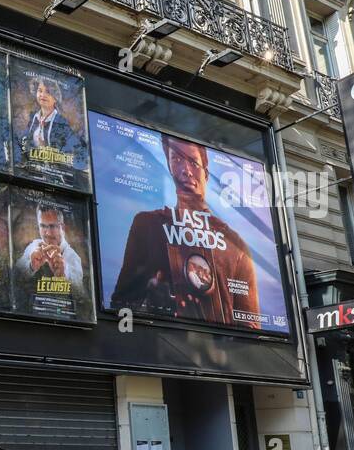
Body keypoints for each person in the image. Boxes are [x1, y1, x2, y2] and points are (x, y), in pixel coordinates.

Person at [109, 135, 261, 328]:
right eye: (177, 159)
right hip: (157, 345)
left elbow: (252, 327)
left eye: (193, 162)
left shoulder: (235, 244)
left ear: (206, 173)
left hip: (219, 354)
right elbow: (121, 305)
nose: (186, 171)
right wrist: (150, 305)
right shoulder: (146, 225)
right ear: (170, 168)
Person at [15, 205, 84, 294]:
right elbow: (15, 274)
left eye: (52, 226)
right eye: (43, 226)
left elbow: (80, 295)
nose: (47, 233)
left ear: (62, 227)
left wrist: (64, 274)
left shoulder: (73, 257)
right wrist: (31, 266)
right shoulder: (33, 246)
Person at [18, 76, 84, 167]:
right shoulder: (34, 118)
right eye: (40, 91)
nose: (42, 95)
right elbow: (24, 143)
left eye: (48, 92)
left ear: (55, 97)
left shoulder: (61, 123)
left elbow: (70, 155)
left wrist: (46, 149)